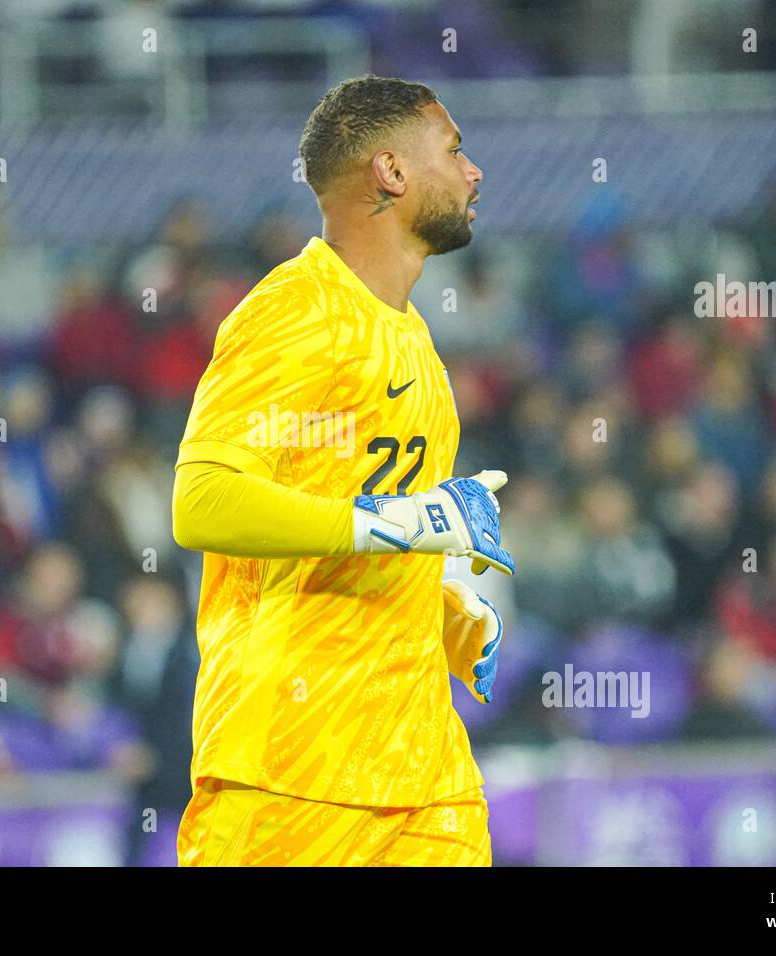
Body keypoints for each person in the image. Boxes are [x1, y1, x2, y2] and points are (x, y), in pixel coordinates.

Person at [170, 75, 511, 866]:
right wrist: (398, 526)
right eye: (455, 150)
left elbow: (364, 522)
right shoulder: (293, 310)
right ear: (390, 172)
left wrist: (439, 608)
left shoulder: (417, 342)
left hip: (426, 777)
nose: (474, 172)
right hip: (295, 774)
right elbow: (203, 501)